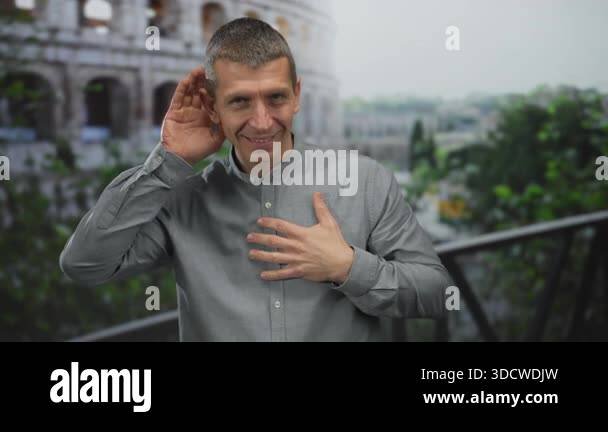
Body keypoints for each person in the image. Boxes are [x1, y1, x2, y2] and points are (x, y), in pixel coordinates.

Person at [59, 17, 452, 341]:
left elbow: (437, 293)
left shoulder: (364, 181)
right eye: (240, 101)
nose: (262, 121)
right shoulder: (183, 198)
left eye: (276, 98)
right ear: (213, 107)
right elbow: (85, 265)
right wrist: (167, 161)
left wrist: (347, 267)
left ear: (297, 95)